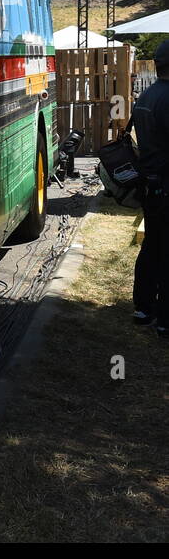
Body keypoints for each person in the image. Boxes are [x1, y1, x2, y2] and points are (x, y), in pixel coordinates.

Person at [132, 39, 169, 339]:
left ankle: (143, 309)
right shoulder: (167, 98)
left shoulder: (146, 95)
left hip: (149, 185)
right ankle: (165, 320)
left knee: (151, 248)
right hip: (165, 185)